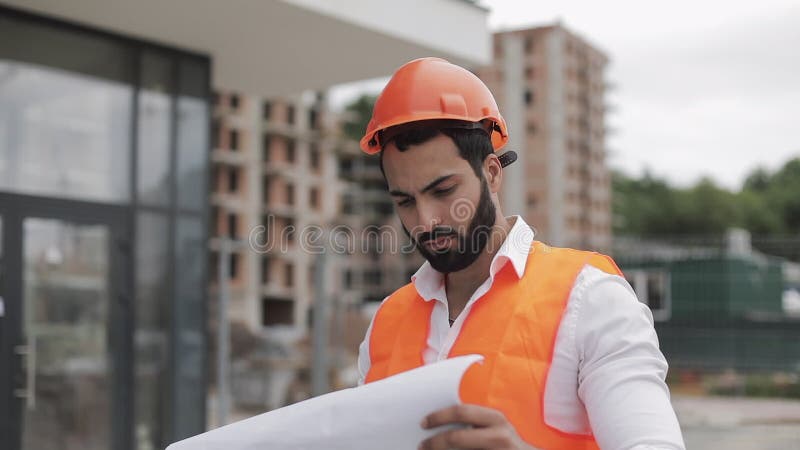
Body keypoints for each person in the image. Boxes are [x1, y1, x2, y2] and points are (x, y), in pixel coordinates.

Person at [355, 58, 685, 450]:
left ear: (492, 173)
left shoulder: (591, 300)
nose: (425, 220)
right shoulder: (385, 323)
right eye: (405, 201)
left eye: (443, 191)